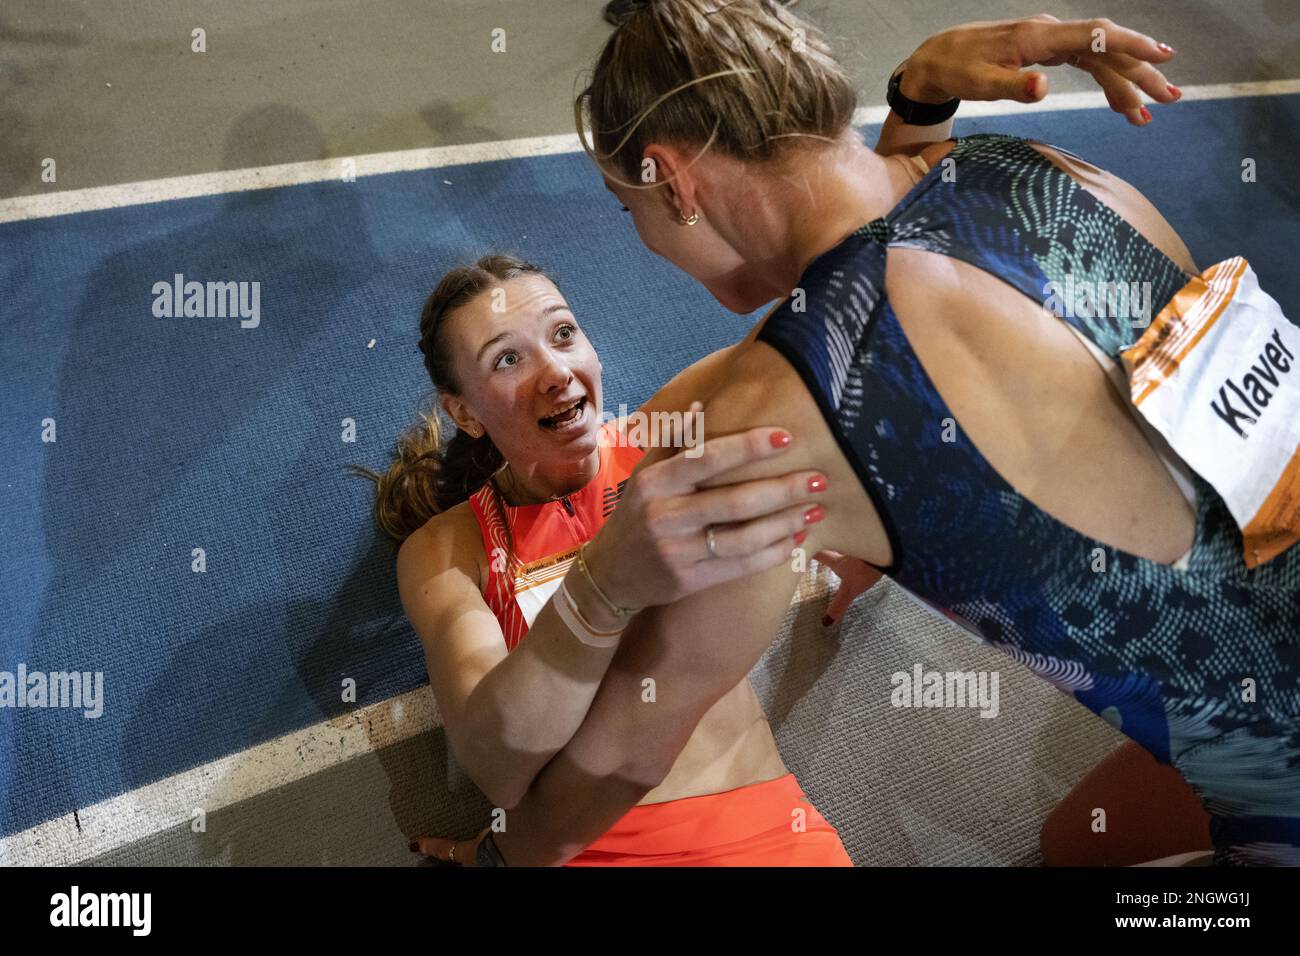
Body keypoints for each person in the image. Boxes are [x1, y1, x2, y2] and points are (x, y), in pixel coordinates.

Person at [426, 1, 1297, 868]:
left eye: (632, 210)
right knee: (1077, 842)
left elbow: (617, 759)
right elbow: (888, 280)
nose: (648, 239)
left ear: (673, 180)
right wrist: (914, 104)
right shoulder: (1035, 164)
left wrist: (501, 857)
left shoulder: (775, 415)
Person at [364, 254, 881, 864]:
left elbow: (834, 320)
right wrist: (602, 585)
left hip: (769, 831)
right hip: (596, 850)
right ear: (465, 413)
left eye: (562, 335)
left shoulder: (660, 437)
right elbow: (496, 764)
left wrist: (861, 525)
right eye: (508, 359)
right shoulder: (452, 549)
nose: (555, 372)